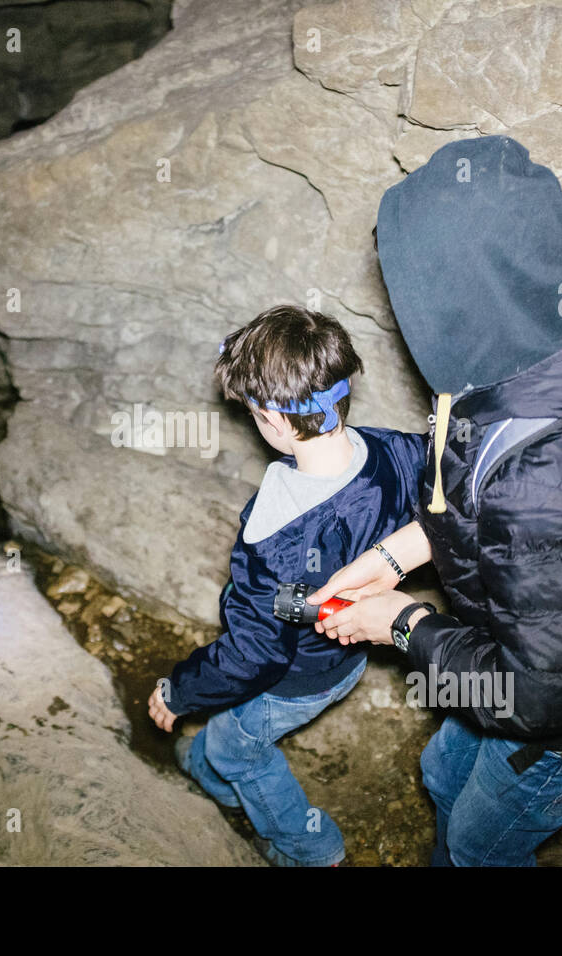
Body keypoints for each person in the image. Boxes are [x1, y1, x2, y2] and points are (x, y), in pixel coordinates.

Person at [308, 135, 562, 866]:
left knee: (476, 849)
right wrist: (394, 555)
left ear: (457, 295)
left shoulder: (542, 476)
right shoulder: (531, 363)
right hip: (531, 647)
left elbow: (541, 698)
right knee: (441, 774)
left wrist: (398, 624)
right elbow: (481, 501)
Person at [147, 304, 426, 866]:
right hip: (347, 656)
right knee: (224, 748)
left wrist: (179, 691)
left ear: (273, 421)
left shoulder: (272, 531)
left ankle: (310, 848)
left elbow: (253, 654)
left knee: (239, 750)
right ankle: (211, 776)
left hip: (292, 680)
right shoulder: (394, 451)